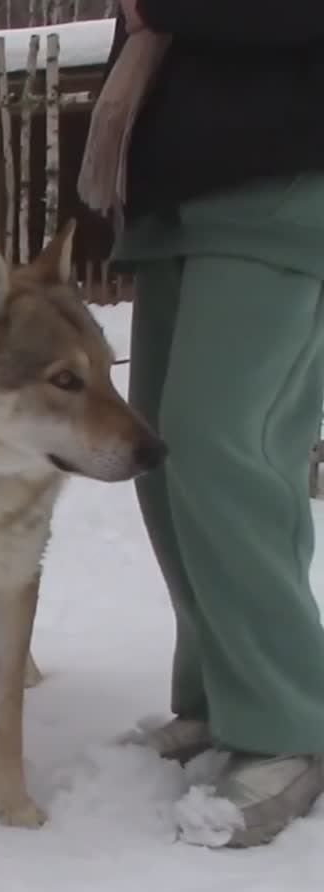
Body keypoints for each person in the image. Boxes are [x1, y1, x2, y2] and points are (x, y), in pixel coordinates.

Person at [79, 0, 324, 847]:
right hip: (181, 190)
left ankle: (289, 720)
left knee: (223, 447)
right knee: (163, 455)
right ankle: (224, 696)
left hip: (287, 176)